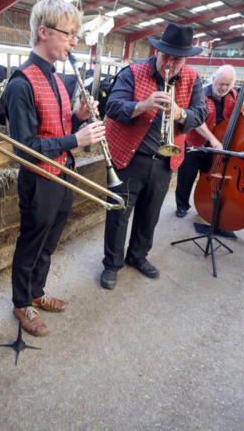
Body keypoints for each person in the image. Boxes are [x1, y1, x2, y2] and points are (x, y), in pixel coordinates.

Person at [0, 0, 104, 336]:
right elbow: (26, 147)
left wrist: (78, 119)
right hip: (38, 179)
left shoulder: (57, 79)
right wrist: (78, 138)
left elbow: (56, 127)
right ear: (43, 32)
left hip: (62, 174)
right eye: (69, 34)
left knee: (49, 241)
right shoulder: (20, 83)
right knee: (31, 242)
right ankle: (21, 304)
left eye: (76, 35)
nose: (75, 42)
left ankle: (37, 292)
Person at [99, 23, 207, 290]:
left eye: (177, 59)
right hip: (128, 157)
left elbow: (201, 114)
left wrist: (180, 113)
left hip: (165, 160)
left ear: (185, 59)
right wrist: (142, 105)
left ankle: (138, 256)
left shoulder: (193, 79)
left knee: (150, 215)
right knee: (119, 214)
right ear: (156, 52)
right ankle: (112, 265)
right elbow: (112, 106)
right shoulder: (132, 72)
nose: (170, 63)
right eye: (165, 56)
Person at [174, 65, 244, 218]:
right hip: (195, 143)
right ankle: (182, 205)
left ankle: (205, 204)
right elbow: (197, 120)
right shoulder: (200, 95)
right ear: (213, 80)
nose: (224, 87)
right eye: (220, 84)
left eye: (227, 84)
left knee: (210, 179)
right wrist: (212, 139)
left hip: (219, 146)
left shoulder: (235, 95)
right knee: (186, 177)